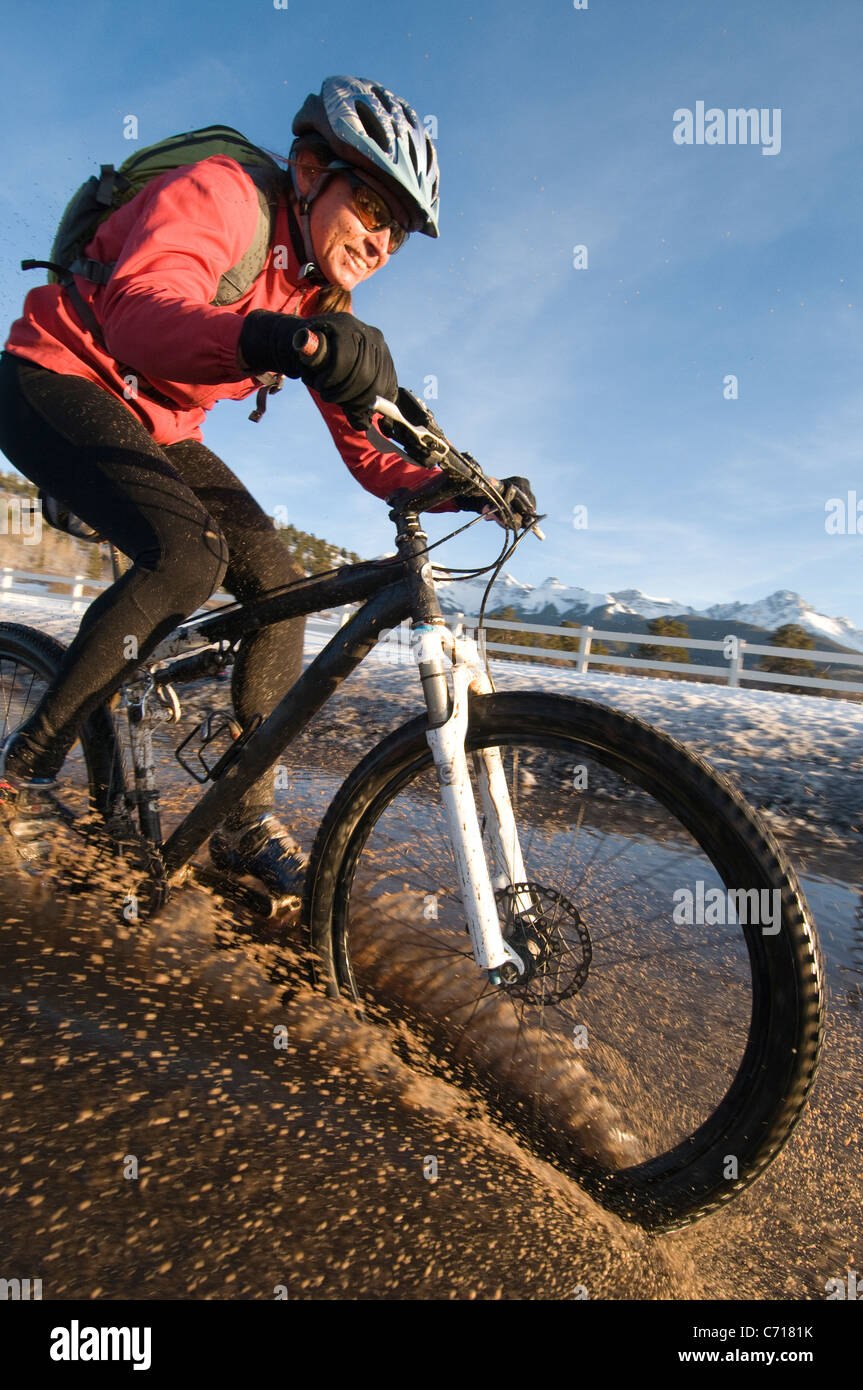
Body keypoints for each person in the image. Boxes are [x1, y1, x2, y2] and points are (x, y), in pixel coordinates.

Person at [0, 75, 534, 899]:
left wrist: (462, 487)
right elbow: (139, 314)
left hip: (157, 427)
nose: (383, 242)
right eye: (374, 208)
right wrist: (282, 339)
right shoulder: (225, 195)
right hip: (58, 374)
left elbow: (371, 452)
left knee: (281, 584)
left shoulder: (323, 298)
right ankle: (19, 777)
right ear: (311, 167)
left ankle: (242, 822)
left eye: (399, 231)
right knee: (187, 558)